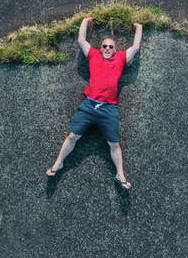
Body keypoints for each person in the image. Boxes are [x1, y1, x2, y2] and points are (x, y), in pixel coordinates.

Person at [46, 16, 142, 189]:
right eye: (104, 46)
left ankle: (120, 174)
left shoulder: (120, 58)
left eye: (110, 46)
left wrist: (139, 27)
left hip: (109, 109)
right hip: (89, 106)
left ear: (115, 49)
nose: (106, 48)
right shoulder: (94, 56)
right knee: (72, 136)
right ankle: (58, 163)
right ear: (100, 48)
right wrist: (85, 20)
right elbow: (81, 40)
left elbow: (135, 47)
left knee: (114, 144)